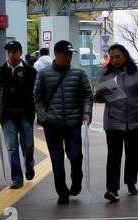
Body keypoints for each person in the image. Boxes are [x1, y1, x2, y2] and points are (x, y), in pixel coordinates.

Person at [34, 40, 93, 205]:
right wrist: (43, 116)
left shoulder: (79, 73)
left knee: (75, 155)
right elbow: (37, 96)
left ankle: (76, 179)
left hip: (73, 122)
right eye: (65, 54)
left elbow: (87, 95)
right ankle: (62, 192)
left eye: (70, 54)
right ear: (56, 54)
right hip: (51, 124)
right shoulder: (44, 74)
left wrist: (87, 113)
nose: (68, 57)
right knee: (56, 158)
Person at [96, 43, 138, 202]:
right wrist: (99, 94)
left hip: (134, 121)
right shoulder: (105, 74)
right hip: (113, 121)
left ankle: (131, 183)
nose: (114, 60)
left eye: (117, 57)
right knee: (113, 156)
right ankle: (112, 189)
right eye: (111, 57)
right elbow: (99, 98)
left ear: (125, 56)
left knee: (132, 154)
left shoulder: (137, 72)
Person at [0, 41, 37, 189]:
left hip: (25, 113)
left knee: (28, 145)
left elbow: (36, 93)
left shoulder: (30, 71)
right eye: (8, 51)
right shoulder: (1, 71)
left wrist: (37, 111)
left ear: (20, 53)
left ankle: (29, 166)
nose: (11, 54)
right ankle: (17, 178)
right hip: (7, 115)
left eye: (14, 51)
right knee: (12, 147)